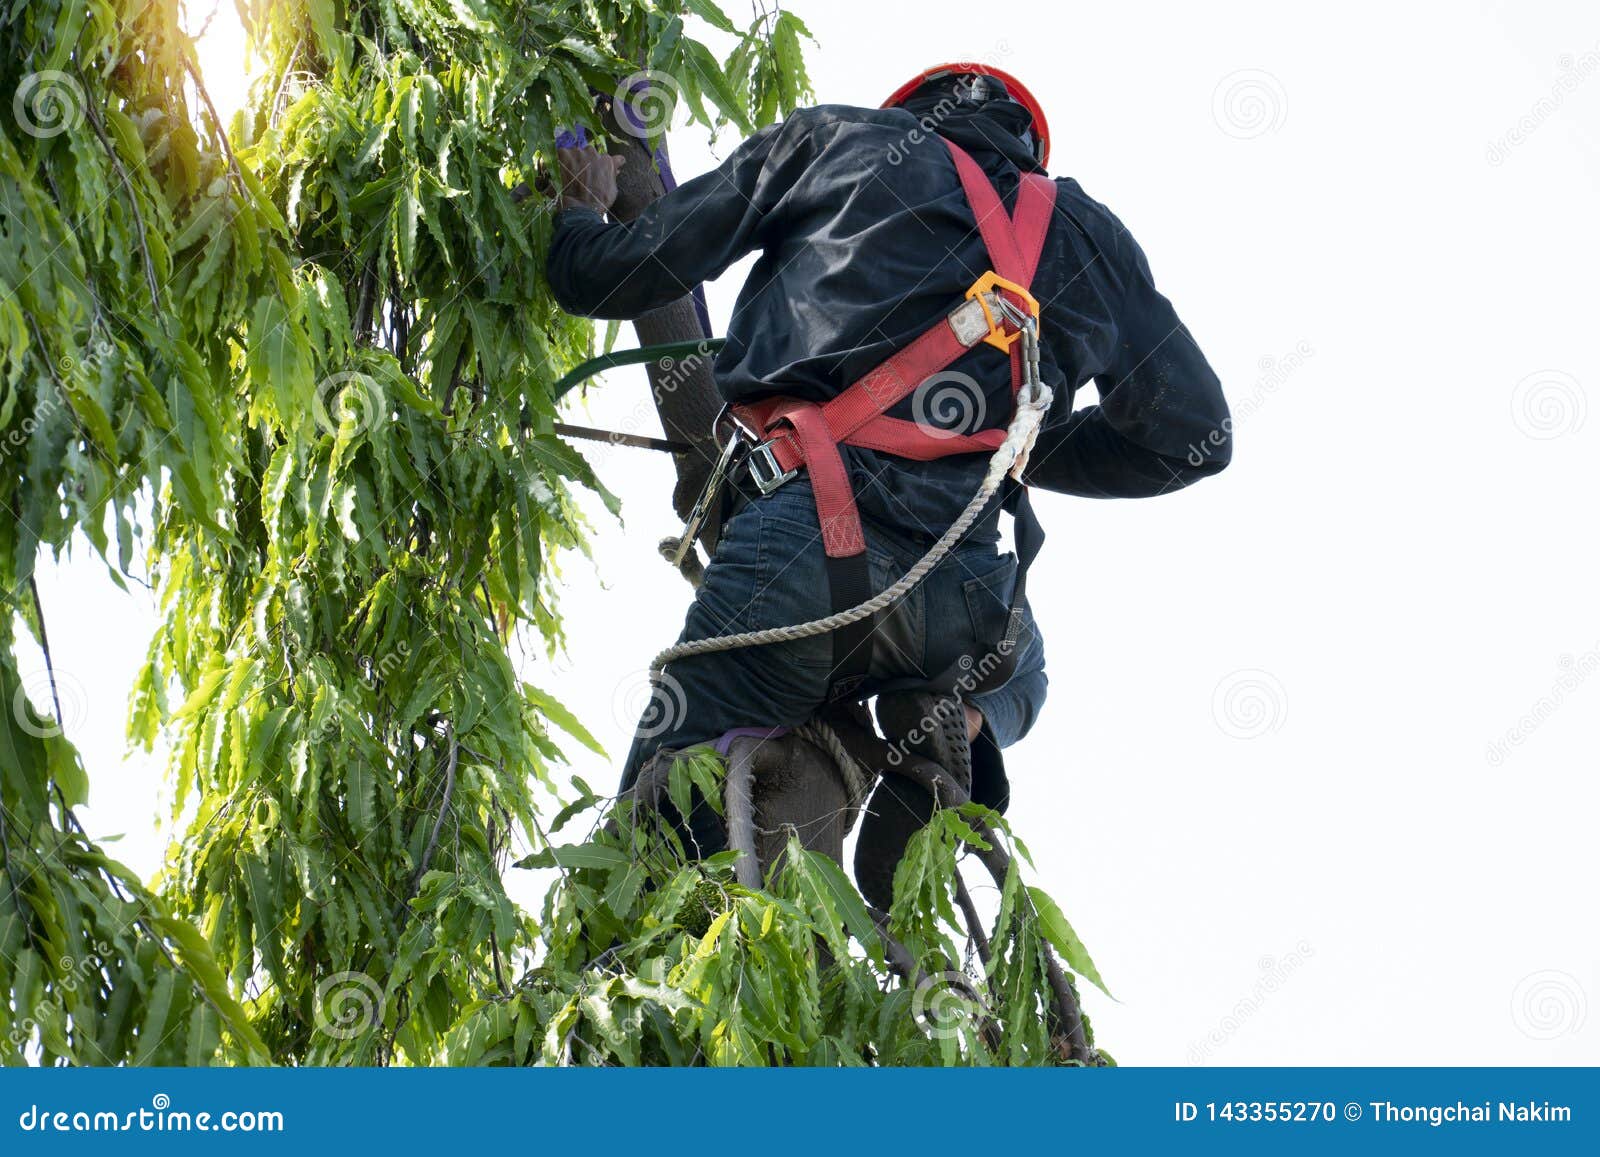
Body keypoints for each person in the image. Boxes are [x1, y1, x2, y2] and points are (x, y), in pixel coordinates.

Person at [547, 66, 1231, 903]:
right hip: (960, 600)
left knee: (651, 834)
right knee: (1024, 667)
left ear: (904, 109)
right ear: (1030, 153)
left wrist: (580, 212)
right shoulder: (1088, 238)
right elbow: (1195, 437)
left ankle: (624, 968)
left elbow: (609, 275)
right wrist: (1011, 442)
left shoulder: (829, 143)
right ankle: (962, 723)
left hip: (802, 559)